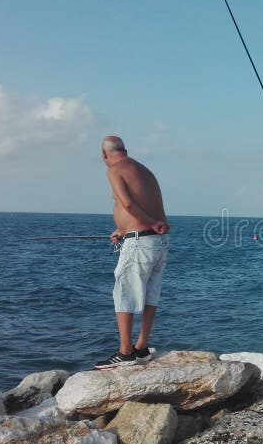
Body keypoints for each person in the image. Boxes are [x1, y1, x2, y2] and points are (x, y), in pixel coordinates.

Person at [95, 135, 170, 369]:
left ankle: (125, 352)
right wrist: (122, 229)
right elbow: (145, 202)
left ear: (104, 154)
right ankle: (141, 347)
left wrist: (148, 223)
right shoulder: (144, 170)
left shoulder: (115, 170)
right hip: (158, 242)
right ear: (124, 150)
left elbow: (127, 203)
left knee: (124, 294)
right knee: (150, 294)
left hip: (140, 241)